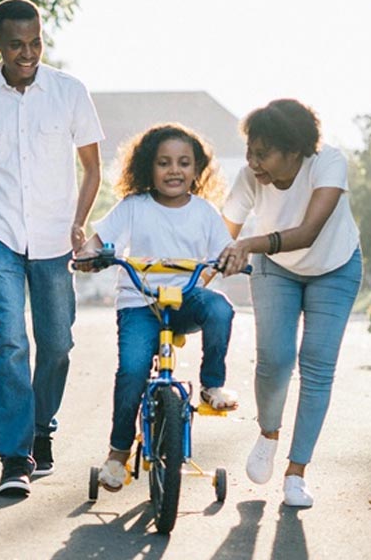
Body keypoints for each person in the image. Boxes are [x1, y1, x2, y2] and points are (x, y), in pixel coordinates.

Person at [0, 0, 104, 498]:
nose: (28, 53)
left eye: (36, 42)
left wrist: (79, 222)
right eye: (16, 45)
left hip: (55, 236)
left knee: (56, 344)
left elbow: (92, 167)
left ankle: (41, 429)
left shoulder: (69, 91)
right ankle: (15, 457)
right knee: (11, 341)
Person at [75, 123, 238, 492]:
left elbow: (223, 252)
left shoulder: (205, 212)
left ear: (197, 170)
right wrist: (88, 255)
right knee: (132, 371)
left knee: (220, 309)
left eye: (184, 163)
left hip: (185, 300)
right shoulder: (134, 207)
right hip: (140, 302)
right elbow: (98, 242)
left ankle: (212, 385)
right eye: (164, 163)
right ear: (148, 166)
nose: (174, 170)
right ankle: (118, 453)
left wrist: (229, 262)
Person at [218, 98, 362, 508]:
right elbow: (222, 236)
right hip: (275, 268)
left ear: (294, 150)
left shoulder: (328, 163)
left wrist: (248, 244)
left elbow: (308, 232)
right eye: (249, 151)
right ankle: (268, 433)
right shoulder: (250, 177)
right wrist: (197, 277)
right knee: (275, 359)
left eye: (262, 154)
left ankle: (296, 473)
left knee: (317, 364)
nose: (252, 162)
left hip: (335, 266)